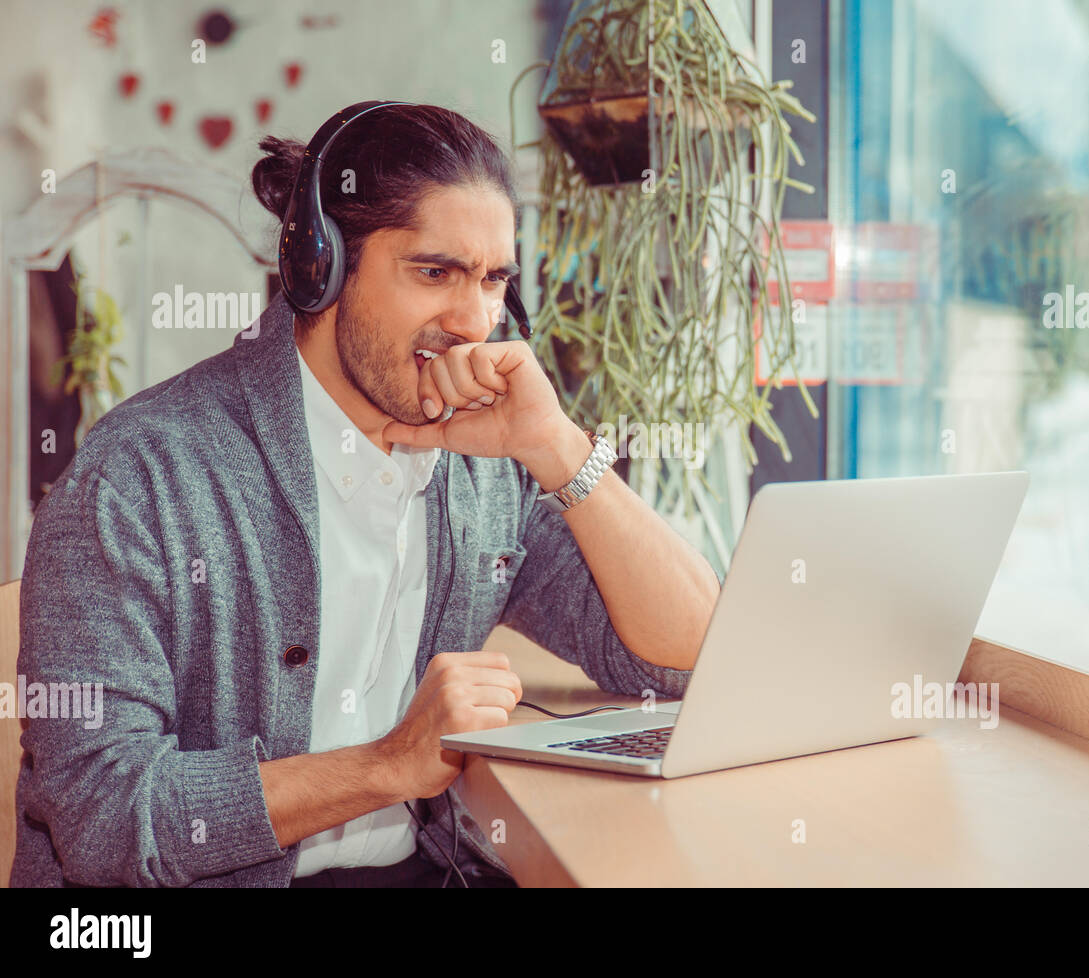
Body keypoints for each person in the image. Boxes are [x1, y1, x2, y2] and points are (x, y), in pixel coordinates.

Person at [11, 102, 720, 887]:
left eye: (493, 281)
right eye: (435, 273)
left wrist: (558, 448)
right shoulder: (139, 475)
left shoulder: (482, 468)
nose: (474, 321)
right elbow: (106, 820)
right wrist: (387, 765)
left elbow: (685, 660)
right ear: (320, 269)